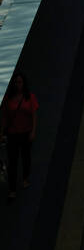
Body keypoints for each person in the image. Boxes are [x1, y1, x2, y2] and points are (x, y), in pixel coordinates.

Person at [1, 72, 38, 201]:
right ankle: (12, 189)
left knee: (25, 157)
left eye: (20, 82)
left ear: (24, 83)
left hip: (25, 132)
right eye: (16, 82)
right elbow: (5, 117)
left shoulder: (30, 97)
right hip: (12, 134)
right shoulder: (8, 99)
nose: (18, 85)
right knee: (12, 161)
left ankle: (25, 178)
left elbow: (34, 115)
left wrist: (33, 131)